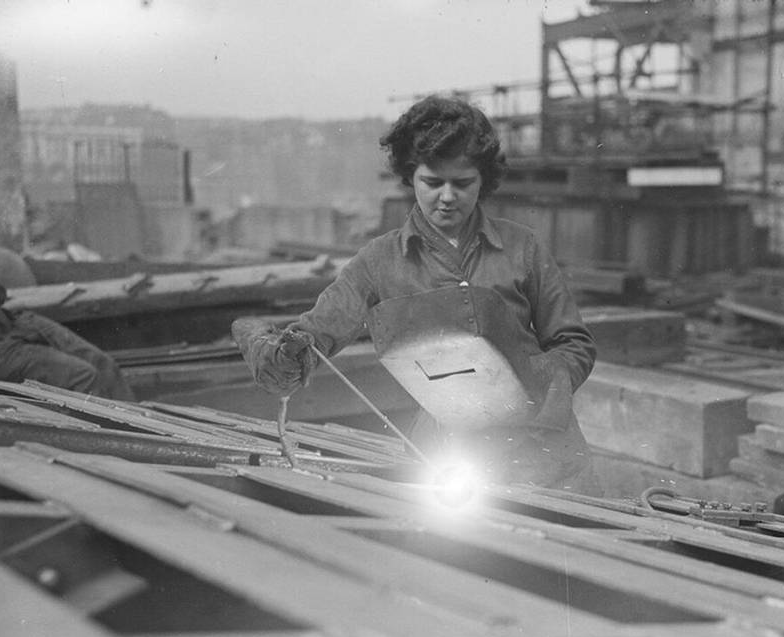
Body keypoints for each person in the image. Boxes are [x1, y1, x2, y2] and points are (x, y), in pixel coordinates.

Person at [234, 95, 600, 494]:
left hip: (541, 455)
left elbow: (573, 342)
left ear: (484, 181)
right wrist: (282, 356)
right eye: (432, 182)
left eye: (462, 184)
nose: (447, 196)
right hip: (447, 461)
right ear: (411, 178)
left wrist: (529, 387)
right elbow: (318, 332)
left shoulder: (523, 247)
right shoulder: (378, 261)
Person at [0, 279, 135, 401]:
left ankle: (139, 429)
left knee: (103, 363)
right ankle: (102, 436)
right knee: (84, 376)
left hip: (11, 320)